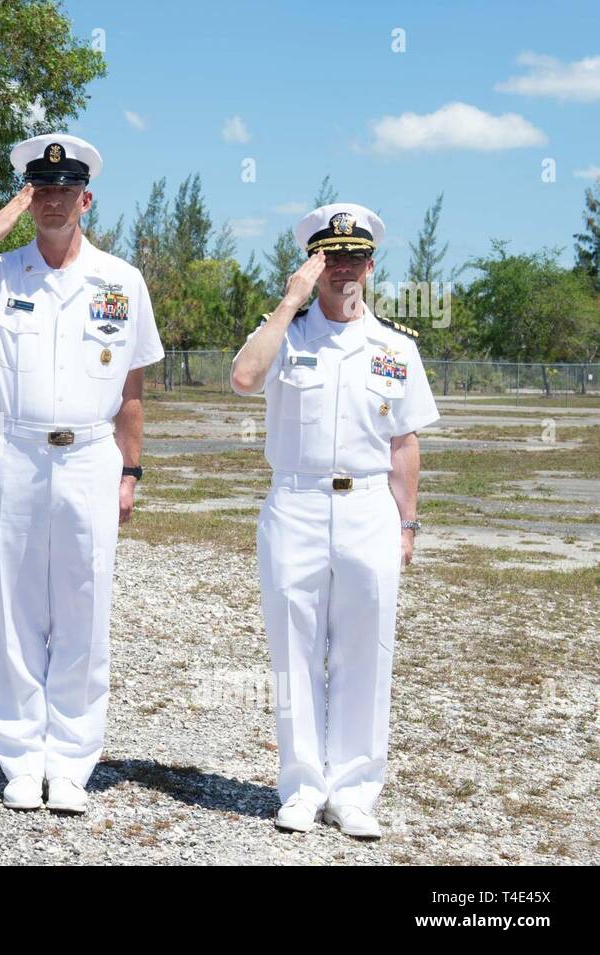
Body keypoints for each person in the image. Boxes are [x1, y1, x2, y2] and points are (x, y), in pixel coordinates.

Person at [0, 134, 164, 813]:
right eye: (39, 190)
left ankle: (72, 763)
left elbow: (132, 391)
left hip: (91, 455)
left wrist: (130, 471)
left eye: (64, 189)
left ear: (86, 197)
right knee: (14, 609)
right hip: (14, 452)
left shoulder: (121, 281)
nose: (52, 201)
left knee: (85, 606)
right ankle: (20, 759)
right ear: (27, 198)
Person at [230, 204, 439, 838]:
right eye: (330, 258)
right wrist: (289, 302)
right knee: (293, 651)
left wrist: (407, 526)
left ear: (371, 266)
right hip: (294, 502)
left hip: (369, 508)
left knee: (365, 650)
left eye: (354, 258)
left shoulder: (395, 347)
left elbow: (404, 443)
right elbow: (242, 377)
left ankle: (354, 791)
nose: (343, 269)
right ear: (312, 264)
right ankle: (299, 787)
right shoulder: (284, 337)